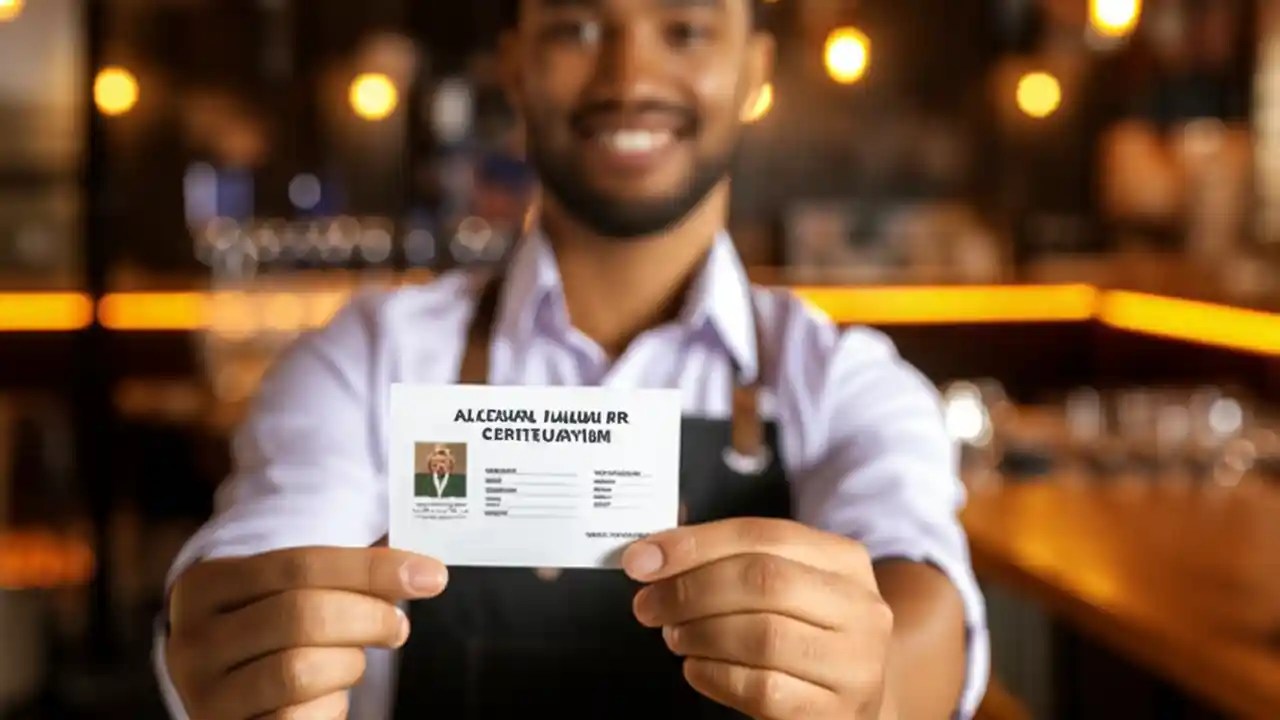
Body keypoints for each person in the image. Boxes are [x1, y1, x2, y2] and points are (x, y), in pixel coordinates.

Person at [158, 0, 989, 718]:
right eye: (578, 27)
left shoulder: (844, 381)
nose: (629, 77)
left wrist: (875, 691)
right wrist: (236, 644)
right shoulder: (368, 356)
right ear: (514, 67)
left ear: (755, 69)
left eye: (687, 30)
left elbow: (926, 599)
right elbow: (273, 532)